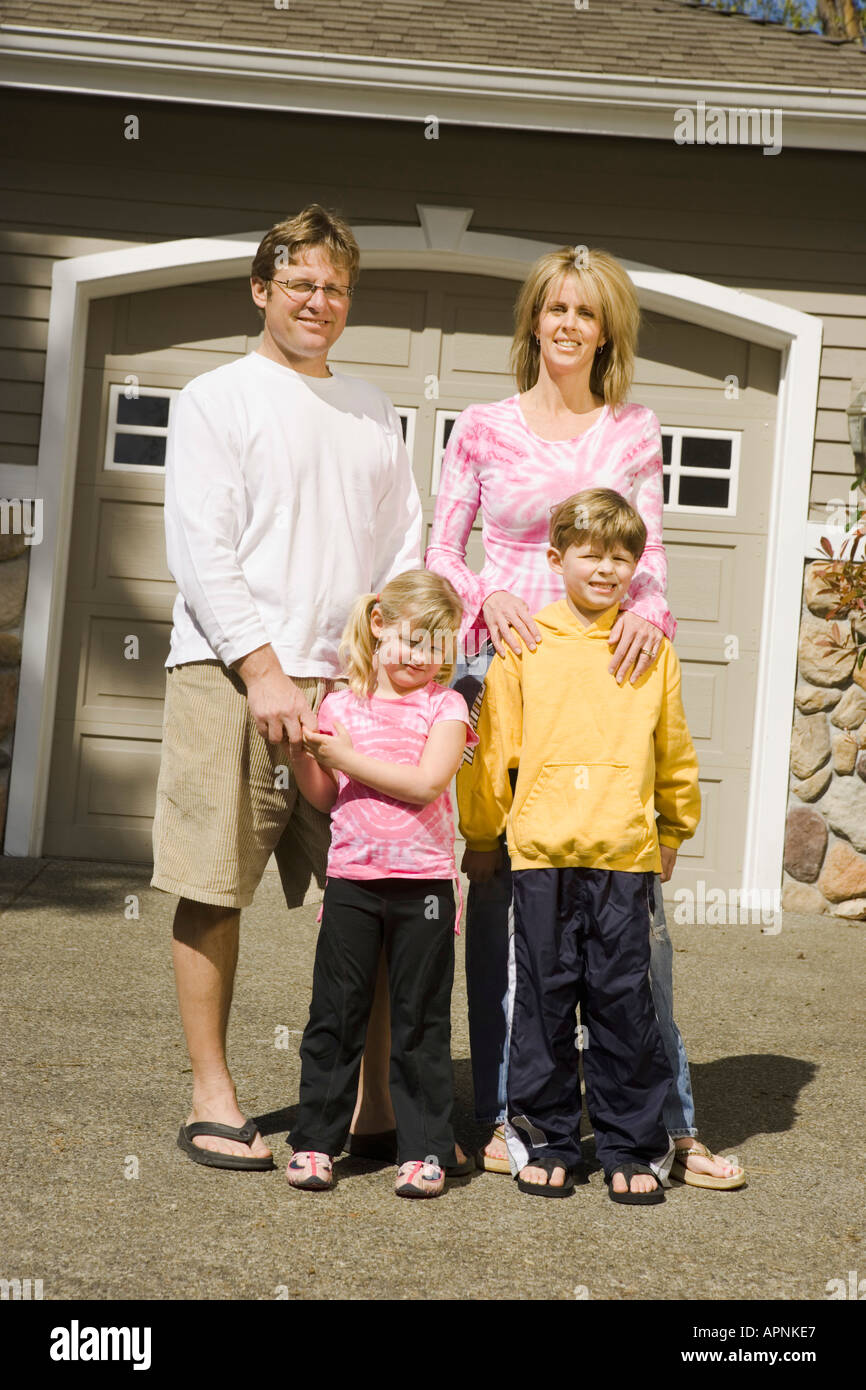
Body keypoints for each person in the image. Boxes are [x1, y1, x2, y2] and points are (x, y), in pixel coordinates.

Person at [427, 245, 744, 1191]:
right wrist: (488, 598)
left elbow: (648, 560)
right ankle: (510, 1115)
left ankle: (666, 1121)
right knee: (501, 903)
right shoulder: (483, 426)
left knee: (629, 920)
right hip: (507, 669)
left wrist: (647, 625)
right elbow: (442, 547)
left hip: (603, 679)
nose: (567, 323)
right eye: (553, 307)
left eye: (586, 311)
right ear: (533, 321)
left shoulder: (634, 426)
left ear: (607, 331)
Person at [152, 205, 422, 1170]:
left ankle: (374, 1100)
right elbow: (200, 546)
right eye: (300, 283)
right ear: (262, 291)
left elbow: (403, 548)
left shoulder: (371, 407)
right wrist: (263, 670)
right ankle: (212, 1093)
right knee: (210, 886)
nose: (320, 301)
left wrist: (382, 667)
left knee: (377, 890)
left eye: (336, 287)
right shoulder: (216, 397)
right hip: (229, 676)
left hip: (350, 690)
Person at [458, 488, 701, 1202]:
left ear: (637, 565)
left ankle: (632, 1146)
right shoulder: (525, 646)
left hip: (623, 856)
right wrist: (481, 832)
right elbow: (493, 749)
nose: (605, 569)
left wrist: (674, 827)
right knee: (542, 1002)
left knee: (624, 1004)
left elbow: (675, 751)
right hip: (540, 857)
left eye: (621, 556)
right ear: (555, 557)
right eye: (590, 554)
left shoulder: (651, 653)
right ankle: (549, 1137)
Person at [284, 571, 476, 1197]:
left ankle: (422, 1152)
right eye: (412, 640)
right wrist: (302, 753)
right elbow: (323, 795)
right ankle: (315, 1144)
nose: (422, 657)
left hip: (423, 886)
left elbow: (426, 784)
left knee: (420, 1021)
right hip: (353, 884)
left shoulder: (444, 706)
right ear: (379, 626)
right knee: (335, 1015)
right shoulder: (340, 706)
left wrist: (343, 759)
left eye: (436, 646)